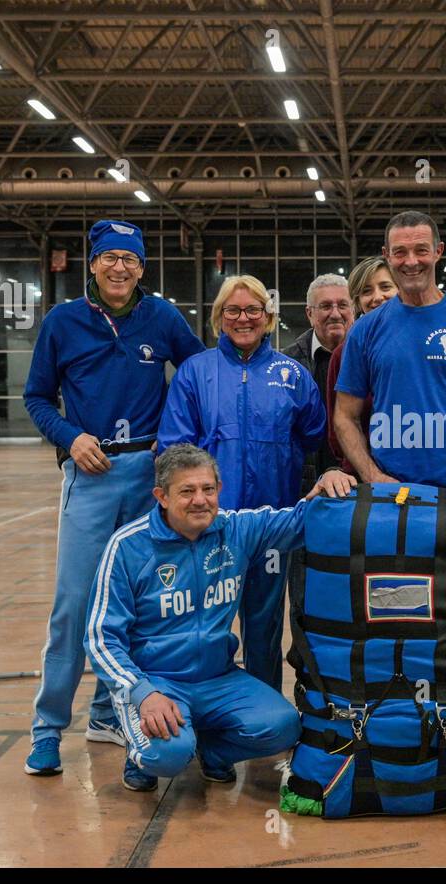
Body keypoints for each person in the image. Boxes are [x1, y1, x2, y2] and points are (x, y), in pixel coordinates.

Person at [22, 219, 205, 776]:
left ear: (142, 268)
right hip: (91, 471)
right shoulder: (63, 322)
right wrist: (70, 438)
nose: (119, 267)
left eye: (130, 258)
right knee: (75, 605)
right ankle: (49, 728)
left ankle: (110, 713)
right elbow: (36, 397)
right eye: (110, 258)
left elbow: (199, 373)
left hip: (149, 476)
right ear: (94, 264)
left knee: (141, 604)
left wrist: (179, 447)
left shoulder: (163, 318)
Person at [85, 444, 353, 791]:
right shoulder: (127, 547)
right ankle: (145, 754)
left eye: (208, 489)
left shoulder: (236, 530)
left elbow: (298, 521)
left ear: (219, 491)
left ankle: (212, 753)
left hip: (217, 679)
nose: (200, 500)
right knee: (166, 755)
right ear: (161, 496)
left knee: (283, 726)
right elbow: (100, 637)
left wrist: (328, 479)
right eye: (187, 491)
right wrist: (141, 692)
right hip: (157, 682)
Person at [158, 275, 326, 692]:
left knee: (264, 626)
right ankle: (205, 711)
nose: (243, 318)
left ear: (268, 318)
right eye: (232, 310)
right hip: (209, 525)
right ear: (219, 318)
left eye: (253, 310)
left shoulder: (292, 374)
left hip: (270, 525)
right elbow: (175, 449)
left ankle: (264, 716)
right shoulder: (196, 373)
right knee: (205, 626)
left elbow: (314, 434)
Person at [333, 211, 446, 510]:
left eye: (421, 250)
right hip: (393, 500)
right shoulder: (365, 330)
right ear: (387, 256)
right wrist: (374, 476)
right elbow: (344, 415)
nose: (411, 261)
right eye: (400, 252)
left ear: (438, 251)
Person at [325, 256, 398, 471]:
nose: (377, 297)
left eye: (386, 287)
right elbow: (337, 432)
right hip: (365, 475)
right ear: (358, 302)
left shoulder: (422, 346)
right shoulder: (343, 354)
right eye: (366, 291)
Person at [282, 274, 353, 488]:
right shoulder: (286, 366)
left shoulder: (372, 358)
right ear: (309, 314)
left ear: (353, 310)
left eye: (342, 305)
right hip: (305, 488)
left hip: (361, 484)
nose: (335, 313)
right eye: (325, 306)